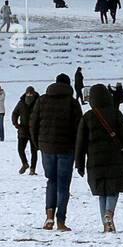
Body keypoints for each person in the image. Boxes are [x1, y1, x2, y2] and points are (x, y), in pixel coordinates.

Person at [74, 83, 123, 233]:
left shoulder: (88, 116)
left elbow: (80, 142)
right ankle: (109, 213)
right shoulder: (116, 113)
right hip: (115, 158)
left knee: (101, 191)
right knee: (113, 189)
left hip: (95, 160)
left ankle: (105, 224)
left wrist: (80, 163)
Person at [30, 73, 84, 230]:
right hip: (66, 149)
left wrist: (38, 144)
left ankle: (49, 217)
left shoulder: (42, 100)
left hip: (47, 148)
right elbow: (79, 128)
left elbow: (33, 124)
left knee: (51, 181)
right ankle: (61, 220)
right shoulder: (72, 103)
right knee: (63, 185)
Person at [12, 86, 40, 174]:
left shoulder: (38, 102)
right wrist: (16, 124)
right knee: (20, 149)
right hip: (23, 129)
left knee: (34, 151)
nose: (29, 95)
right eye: (28, 93)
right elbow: (14, 113)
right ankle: (24, 163)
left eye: (31, 93)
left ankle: (33, 169)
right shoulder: (21, 103)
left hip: (34, 130)